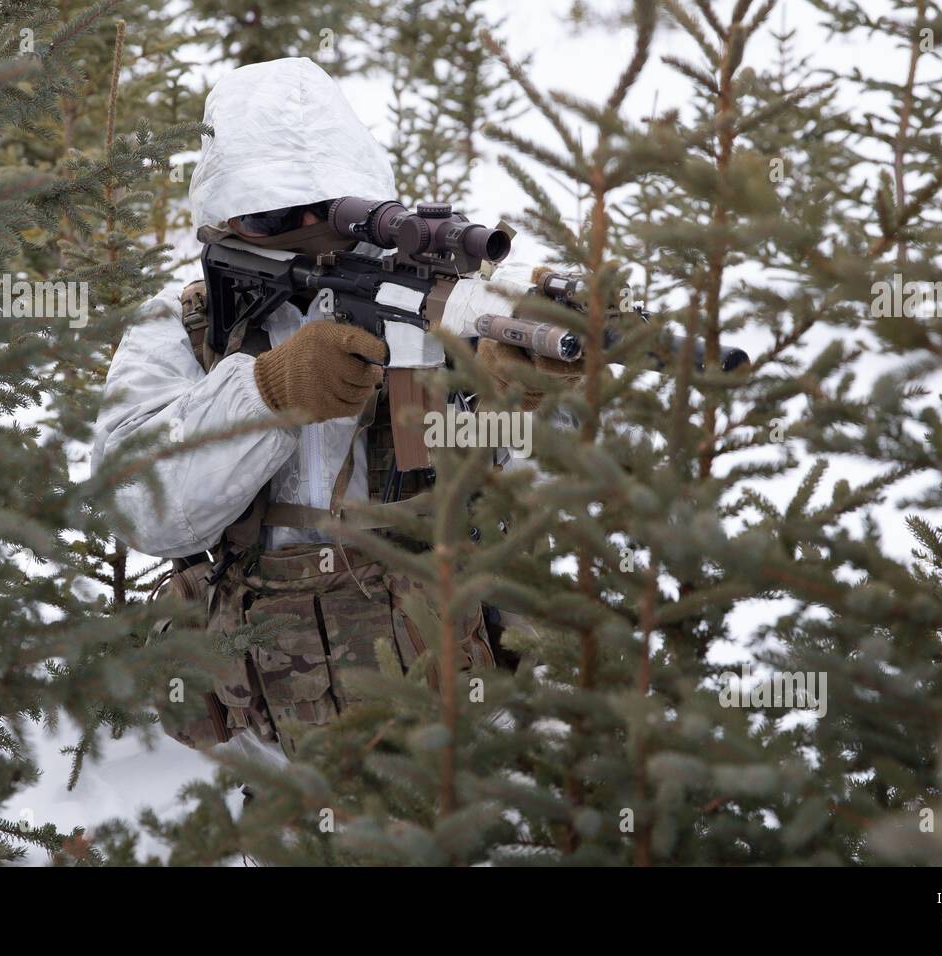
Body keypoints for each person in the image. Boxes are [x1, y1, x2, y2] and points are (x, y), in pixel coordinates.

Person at [90, 58, 580, 765]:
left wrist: (527, 399)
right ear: (224, 215)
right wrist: (268, 393)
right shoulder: (182, 324)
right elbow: (137, 506)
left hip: (447, 716)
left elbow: (554, 498)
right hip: (262, 732)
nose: (313, 229)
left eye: (332, 209)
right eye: (277, 214)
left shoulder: (442, 302)